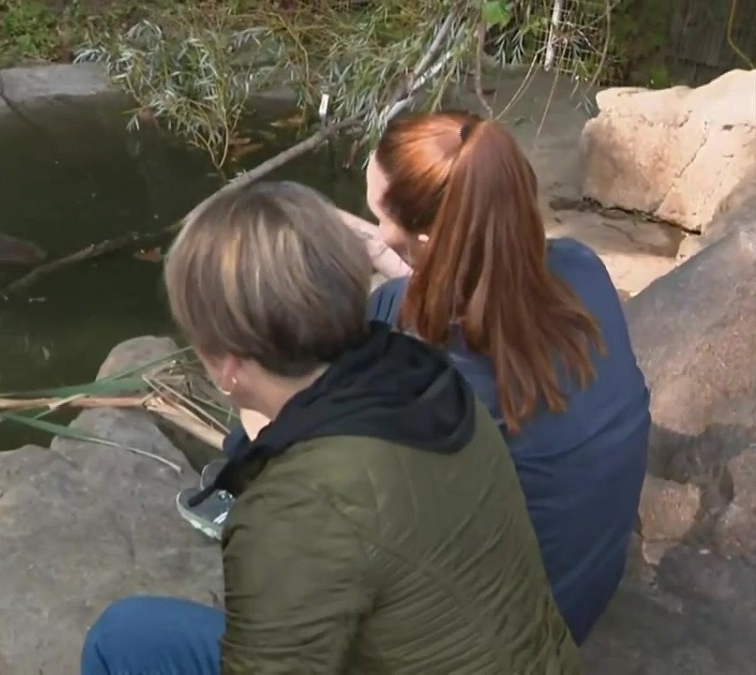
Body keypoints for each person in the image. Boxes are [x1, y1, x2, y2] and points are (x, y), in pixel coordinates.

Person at [188, 110, 652, 645]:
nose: (372, 220)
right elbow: (473, 286)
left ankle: (232, 489)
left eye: (378, 211)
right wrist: (392, 252)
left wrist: (249, 395)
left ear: (428, 237)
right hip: (581, 593)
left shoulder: (416, 357)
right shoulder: (581, 267)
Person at [82, 180, 581, 674]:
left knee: (119, 642)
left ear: (228, 365)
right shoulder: (427, 381)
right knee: (129, 635)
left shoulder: (295, 510)